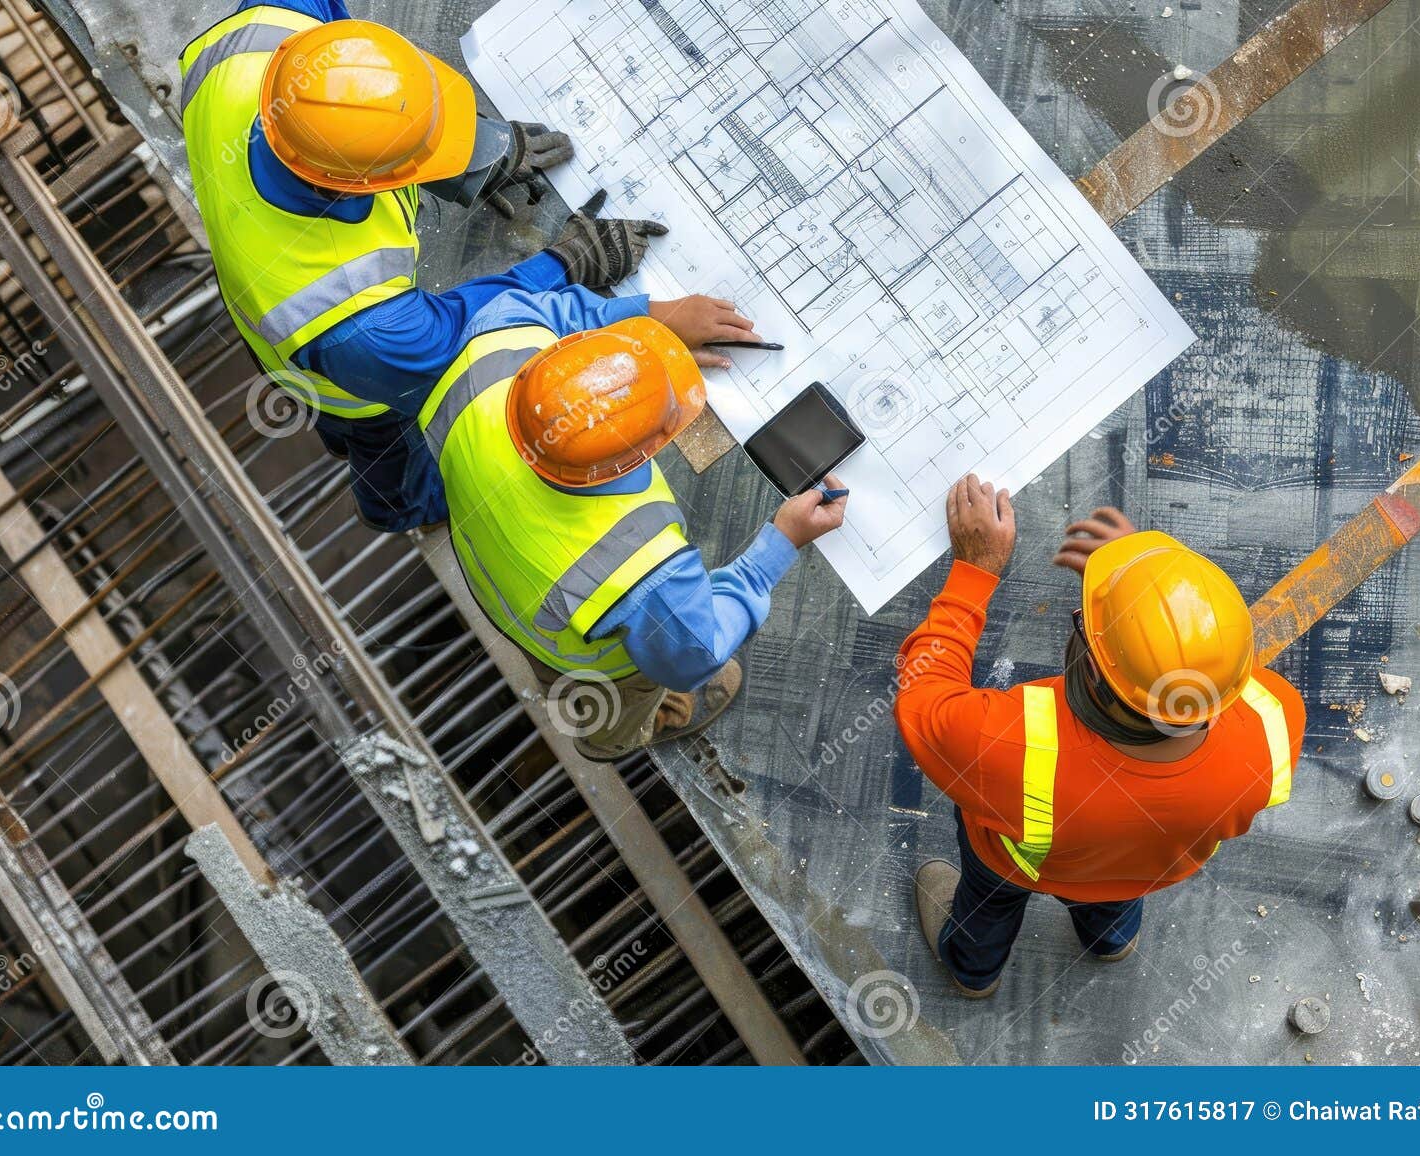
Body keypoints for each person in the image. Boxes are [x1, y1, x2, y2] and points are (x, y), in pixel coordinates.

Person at [180, 0, 665, 531]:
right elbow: (469, 331)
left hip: (259, 303)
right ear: (354, 182)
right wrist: (569, 264)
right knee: (382, 451)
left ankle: (333, 433)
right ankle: (406, 510)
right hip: (355, 392)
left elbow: (355, 91)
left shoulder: (250, 47)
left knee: (314, 388)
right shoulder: (367, 327)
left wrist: (469, 151)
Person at [894, 481, 1305, 997]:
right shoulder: (1275, 719)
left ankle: (974, 972)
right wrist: (1146, 589)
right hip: (1144, 870)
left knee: (987, 908)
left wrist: (973, 571)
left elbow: (923, 690)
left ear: (1091, 666)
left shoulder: (1004, 743)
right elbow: (1192, 659)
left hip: (1013, 867)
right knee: (1112, 899)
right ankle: (1111, 938)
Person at [419, 286, 847, 757]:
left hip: (490, 566)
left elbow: (540, 309)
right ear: (630, 460)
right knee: (612, 701)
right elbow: (696, 652)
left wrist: (654, 316)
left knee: (550, 643)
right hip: (575, 656)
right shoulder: (640, 561)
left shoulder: (492, 345)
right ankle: (616, 738)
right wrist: (779, 545)